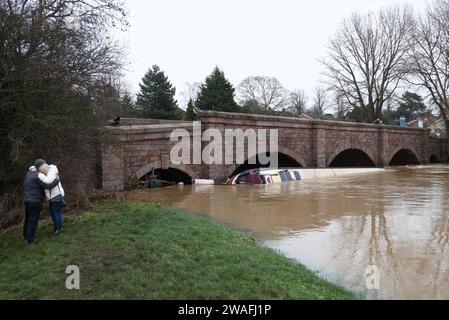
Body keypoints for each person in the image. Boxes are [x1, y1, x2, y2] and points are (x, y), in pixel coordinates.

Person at [23, 159, 59, 244]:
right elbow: (47, 186)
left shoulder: (29, 173)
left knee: (27, 218)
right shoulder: (38, 176)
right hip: (35, 201)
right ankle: (30, 239)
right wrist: (56, 180)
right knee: (33, 219)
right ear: (40, 167)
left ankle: (26, 235)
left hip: (27, 199)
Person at [38, 163, 66, 235]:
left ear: (44, 169)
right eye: (41, 171)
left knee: (56, 212)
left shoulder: (51, 174)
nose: (42, 172)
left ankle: (59, 229)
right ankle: (58, 227)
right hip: (52, 197)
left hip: (56, 196)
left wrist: (40, 175)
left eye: (42, 171)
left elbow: (49, 185)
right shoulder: (48, 174)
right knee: (53, 213)